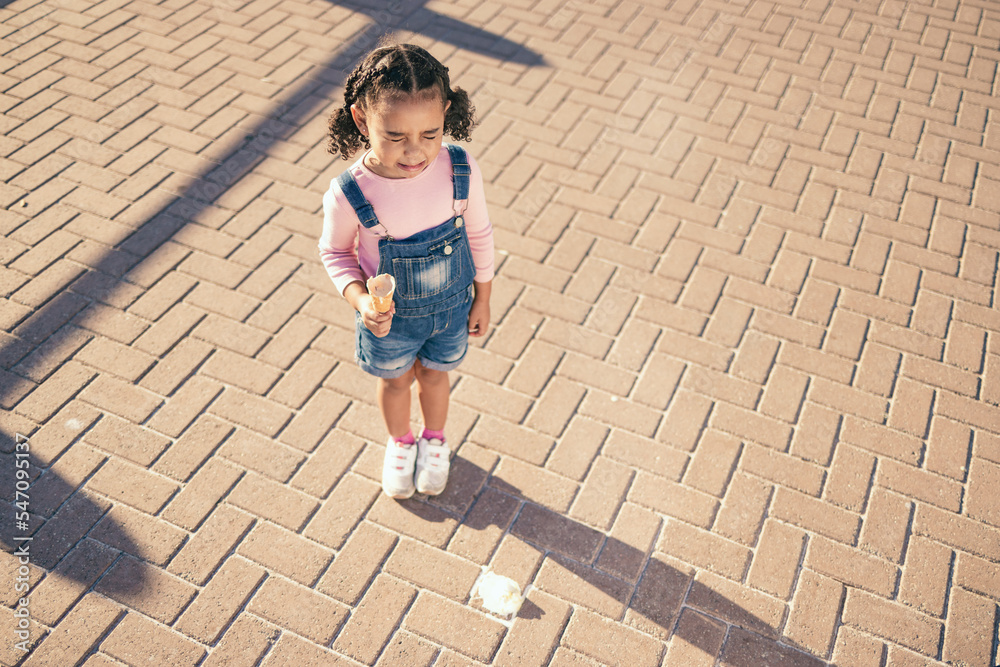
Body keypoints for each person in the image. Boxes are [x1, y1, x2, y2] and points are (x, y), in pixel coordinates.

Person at [319, 43, 494, 500]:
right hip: (389, 321)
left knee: (435, 376)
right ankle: (401, 442)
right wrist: (360, 301)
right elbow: (335, 253)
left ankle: (434, 440)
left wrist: (484, 297)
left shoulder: (459, 168)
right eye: (395, 136)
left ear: (446, 114)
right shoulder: (350, 192)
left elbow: (479, 234)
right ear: (362, 121)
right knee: (395, 382)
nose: (415, 151)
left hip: (451, 311)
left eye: (430, 133)